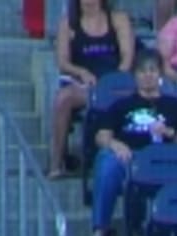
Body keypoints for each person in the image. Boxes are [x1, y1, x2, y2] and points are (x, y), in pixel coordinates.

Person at [85, 50, 177, 236]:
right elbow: (101, 136)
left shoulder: (175, 105)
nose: (148, 75)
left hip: (165, 161)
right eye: (142, 71)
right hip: (130, 158)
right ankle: (99, 233)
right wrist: (115, 144)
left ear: (160, 74)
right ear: (135, 76)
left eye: (152, 70)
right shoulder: (121, 106)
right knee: (107, 160)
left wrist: (169, 132)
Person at [47, 0, 133, 178]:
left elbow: (127, 57)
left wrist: (114, 80)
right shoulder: (68, 24)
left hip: (115, 85)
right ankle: (56, 162)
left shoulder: (118, 19)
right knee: (63, 98)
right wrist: (81, 72)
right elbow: (63, 62)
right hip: (85, 85)